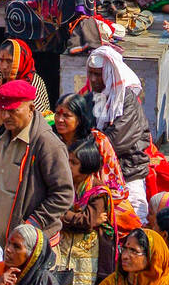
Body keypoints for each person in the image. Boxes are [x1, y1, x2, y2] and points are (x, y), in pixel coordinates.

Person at [0, 80, 74, 246]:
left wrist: (30, 225)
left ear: (31, 108)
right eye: (2, 110)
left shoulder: (47, 144)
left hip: (26, 246)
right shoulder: (1, 134)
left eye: (13, 111)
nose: (5, 116)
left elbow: (64, 195)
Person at [60, 139, 138, 285]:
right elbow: (87, 220)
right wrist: (77, 218)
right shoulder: (65, 186)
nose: (68, 165)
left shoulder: (97, 192)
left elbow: (87, 222)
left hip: (85, 255)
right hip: (65, 250)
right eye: (67, 160)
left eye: (73, 162)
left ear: (87, 165)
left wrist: (63, 216)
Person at [52, 91, 137, 232]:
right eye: (57, 114)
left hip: (96, 200)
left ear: (79, 119)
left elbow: (116, 185)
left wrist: (92, 204)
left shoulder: (98, 140)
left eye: (66, 115)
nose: (59, 120)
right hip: (61, 199)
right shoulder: (52, 140)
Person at [85, 46, 151, 222]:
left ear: (109, 74)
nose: (92, 79)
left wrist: (83, 148)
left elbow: (114, 141)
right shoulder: (94, 98)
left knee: (134, 222)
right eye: (90, 73)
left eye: (98, 74)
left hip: (129, 173)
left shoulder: (126, 101)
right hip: (101, 175)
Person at [0, 38, 51, 114]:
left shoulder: (33, 82)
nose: (4, 66)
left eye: (9, 61)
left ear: (21, 60)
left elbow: (39, 116)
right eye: (1, 60)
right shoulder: (1, 75)